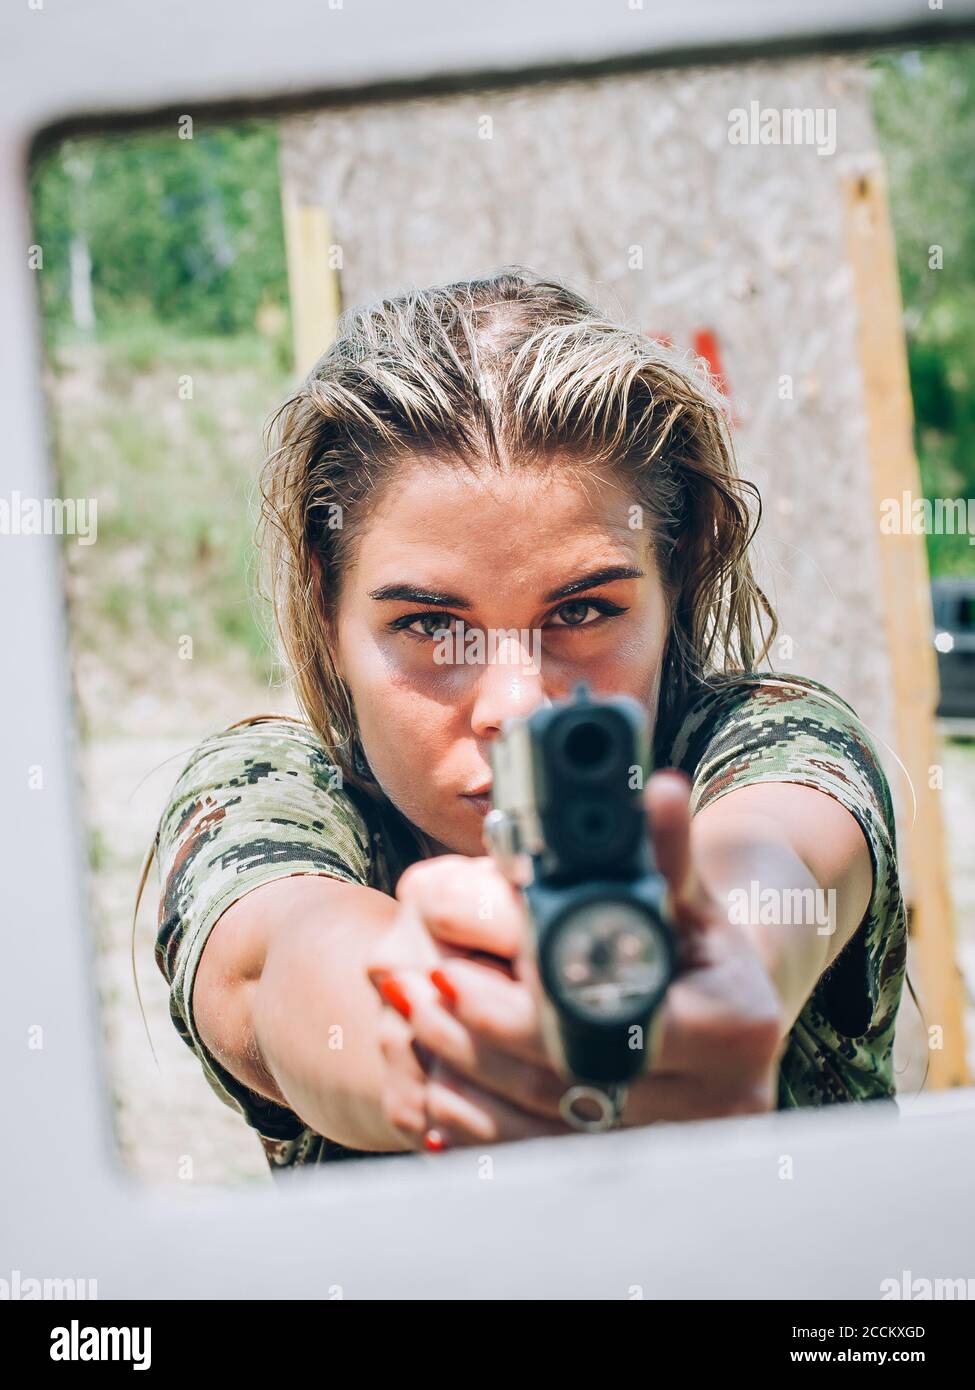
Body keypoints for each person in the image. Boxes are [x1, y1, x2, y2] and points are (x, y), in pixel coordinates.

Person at [141, 268, 907, 1176]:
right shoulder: (268, 791)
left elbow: (777, 865)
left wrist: (719, 960)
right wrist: (426, 1036)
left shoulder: (765, 738)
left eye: (581, 612)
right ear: (325, 607)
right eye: (431, 625)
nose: (516, 706)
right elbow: (276, 967)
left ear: (675, 582)